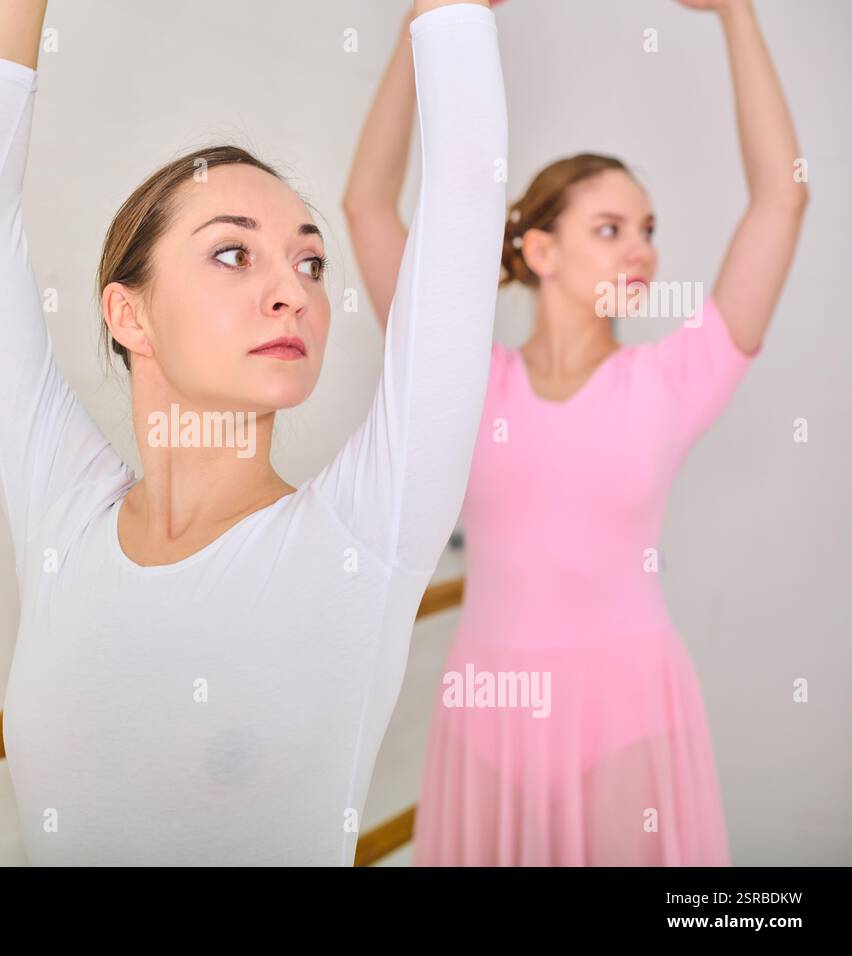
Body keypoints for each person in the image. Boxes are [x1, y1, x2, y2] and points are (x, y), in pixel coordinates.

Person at [0, 0, 506, 865]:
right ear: (130, 314)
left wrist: (448, 15)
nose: (294, 292)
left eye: (310, 261)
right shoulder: (62, 518)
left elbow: (465, 188)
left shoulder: (361, 539)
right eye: (235, 253)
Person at [342, 0, 807, 865]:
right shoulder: (464, 379)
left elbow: (783, 198)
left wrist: (737, 13)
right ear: (542, 251)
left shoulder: (673, 380)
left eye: (649, 232)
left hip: (629, 718)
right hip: (485, 717)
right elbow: (366, 206)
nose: (642, 251)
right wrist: (424, 21)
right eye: (610, 229)